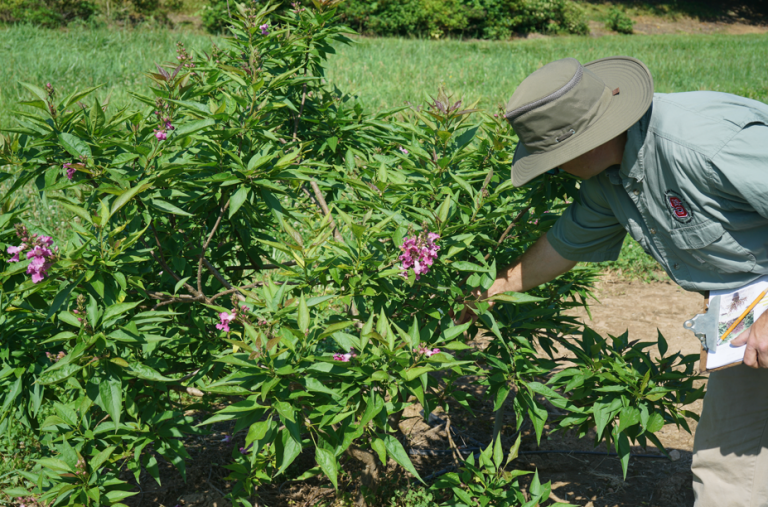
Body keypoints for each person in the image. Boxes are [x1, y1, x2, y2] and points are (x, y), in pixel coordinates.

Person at [460, 56, 768, 506]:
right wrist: (493, 290)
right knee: (726, 465)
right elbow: (565, 243)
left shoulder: (704, 144)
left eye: (551, 157)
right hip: (750, 310)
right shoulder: (610, 178)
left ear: (586, 141)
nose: (548, 168)